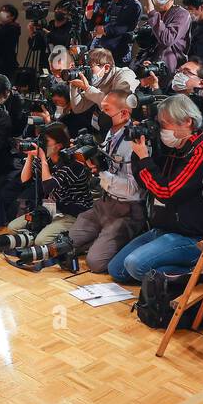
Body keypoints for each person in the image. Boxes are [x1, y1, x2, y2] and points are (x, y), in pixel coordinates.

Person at [109, 93, 203, 282]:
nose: (162, 130)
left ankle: (199, 270)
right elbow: (147, 182)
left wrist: (145, 158)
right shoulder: (177, 148)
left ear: (187, 122)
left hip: (192, 236)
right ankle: (160, 273)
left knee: (135, 266)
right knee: (117, 270)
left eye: (165, 124)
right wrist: (142, 152)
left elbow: (166, 192)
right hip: (164, 228)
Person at [69, 90, 146, 272]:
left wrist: (102, 175)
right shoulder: (111, 133)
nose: (101, 114)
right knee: (69, 241)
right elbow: (107, 167)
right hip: (104, 203)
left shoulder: (134, 142)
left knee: (96, 263)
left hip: (127, 210)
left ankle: (114, 241)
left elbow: (134, 190)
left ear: (125, 113)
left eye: (106, 110)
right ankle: (99, 240)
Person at [5, 123, 94, 247]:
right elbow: (24, 179)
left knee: (42, 241)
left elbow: (48, 186)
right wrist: (30, 156)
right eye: (40, 140)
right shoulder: (46, 159)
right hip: (52, 209)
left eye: (45, 141)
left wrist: (41, 159)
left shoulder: (73, 164)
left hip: (74, 213)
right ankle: (40, 237)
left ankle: (71, 239)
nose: (41, 144)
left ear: (58, 146)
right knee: (12, 228)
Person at [87, 0, 143, 65]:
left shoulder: (134, 5)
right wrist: (91, 2)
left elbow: (123, 27)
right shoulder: (106, 2)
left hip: (117, 57)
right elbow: (90, 23)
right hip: (97, 53)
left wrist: (103, 29)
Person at [67, 47, 137, 116]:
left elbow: (118, 105)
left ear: (106, 68)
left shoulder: (125, 75)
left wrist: (88, 89)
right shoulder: (97, 81)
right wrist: (74, 86)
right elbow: (78, 108)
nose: (85, 71)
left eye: (89, 67)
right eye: (83, 67)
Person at [145, 0, 191, 72]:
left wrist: (152, 14)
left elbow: (167, 39)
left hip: (169, 70)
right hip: (151, 67)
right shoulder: (156, 14)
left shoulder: (182, 14)